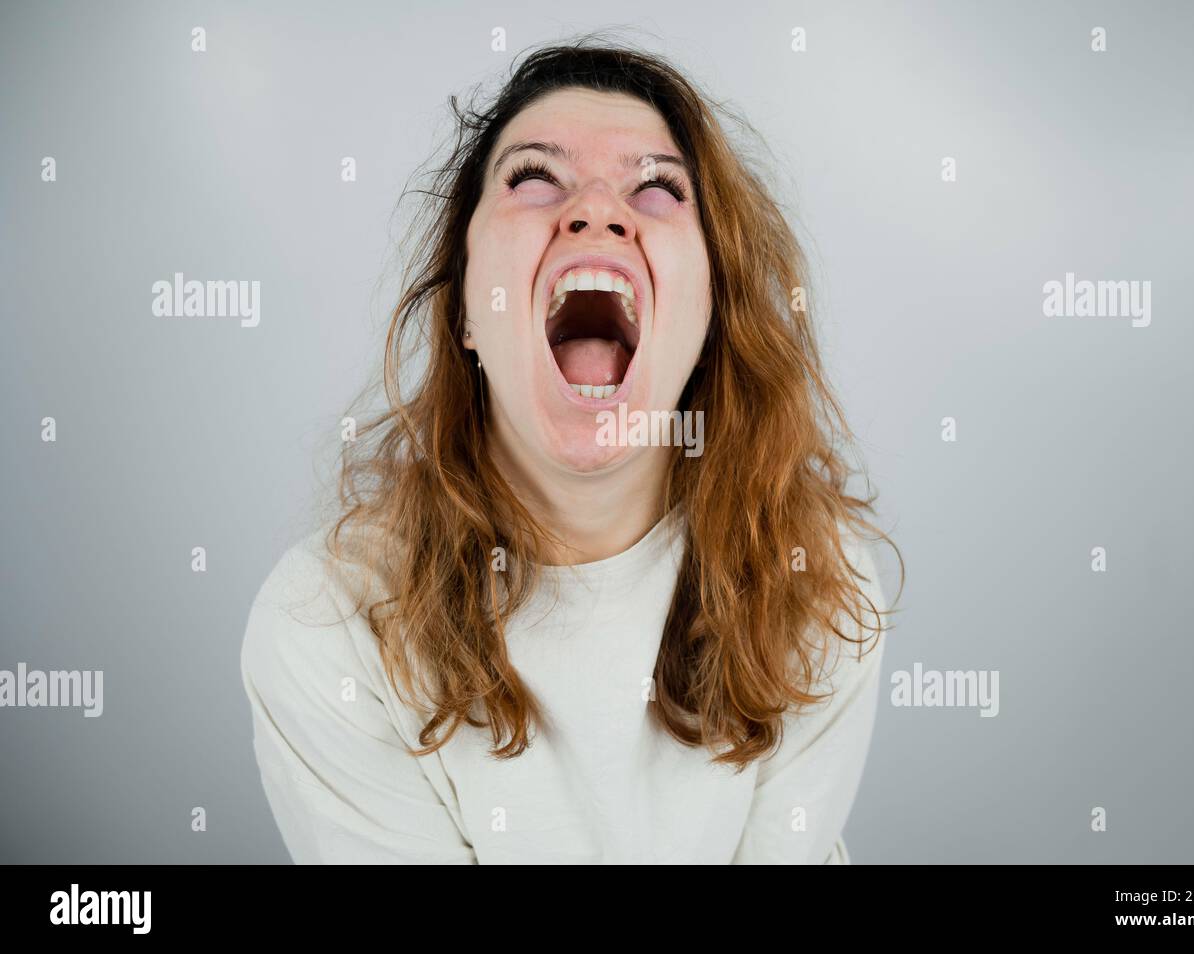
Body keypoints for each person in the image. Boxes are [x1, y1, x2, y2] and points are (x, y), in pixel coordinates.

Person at [240, 37, 902, 864]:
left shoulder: (819, 584)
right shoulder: (327, 627)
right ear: (467, 315)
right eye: (534, 178)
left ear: (709, 318)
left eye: (658, 187)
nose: (595, 210)